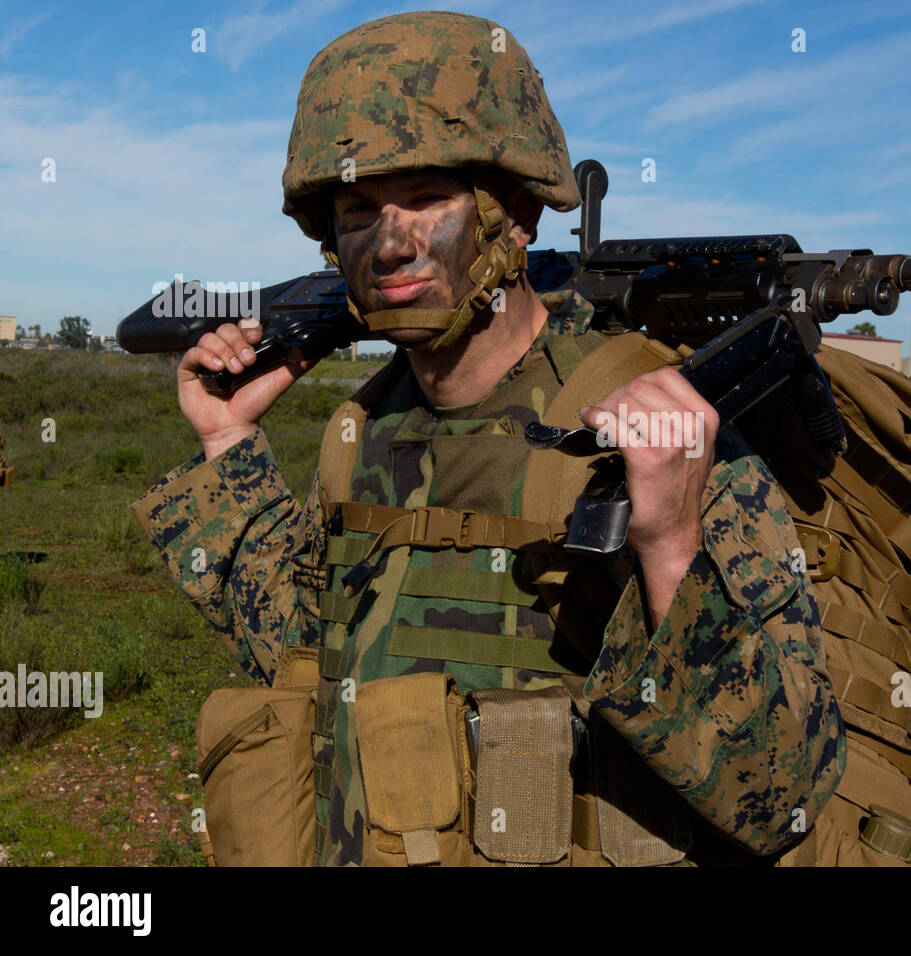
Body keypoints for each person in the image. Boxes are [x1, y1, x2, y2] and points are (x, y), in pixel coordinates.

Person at [133, 10, 844, 867]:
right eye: (358, 211)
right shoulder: (365, 429)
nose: (389, 243)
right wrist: (227, 447)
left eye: (428, 199)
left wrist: (670, 547)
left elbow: (789, 797)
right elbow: (299, 656)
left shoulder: (654, 430)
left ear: (514, 213)